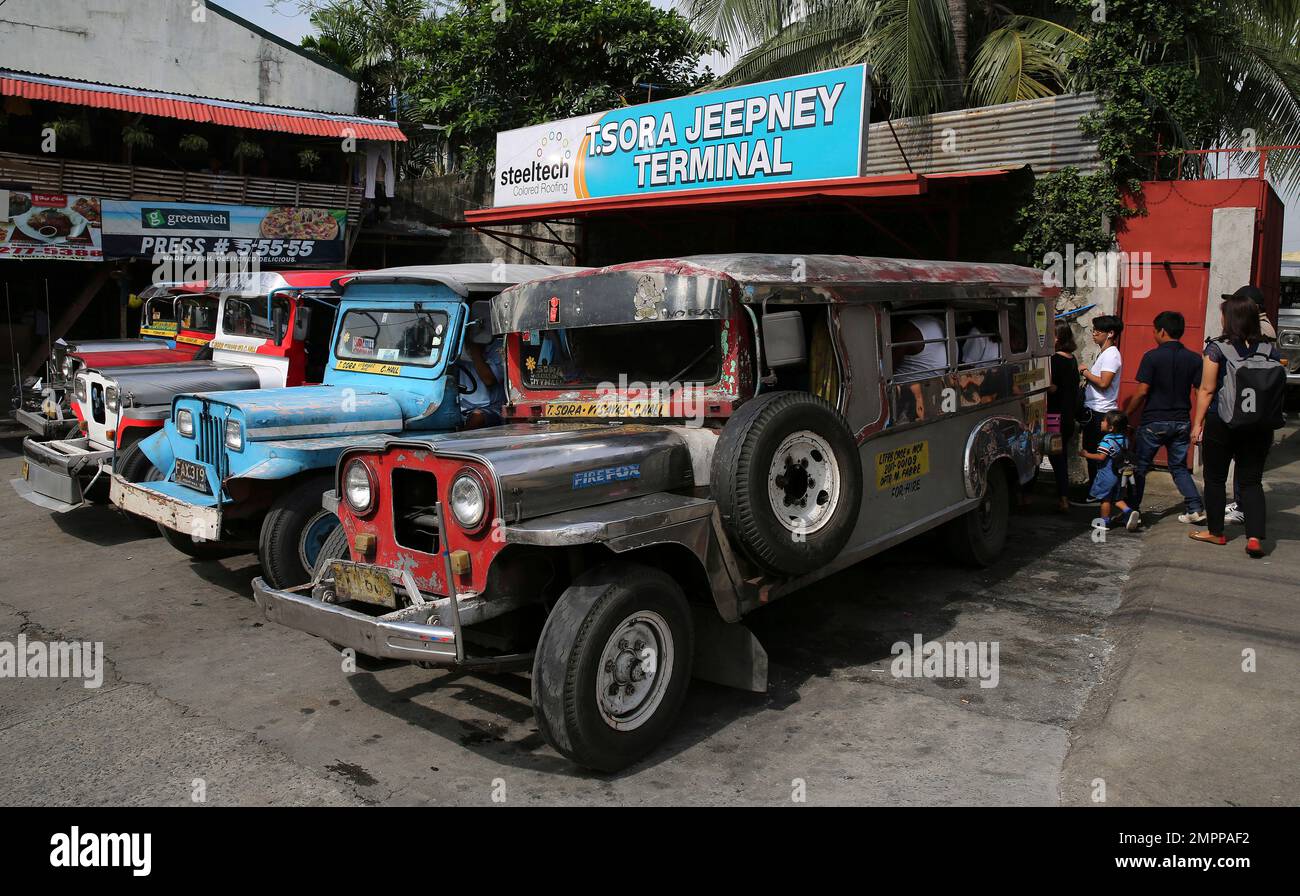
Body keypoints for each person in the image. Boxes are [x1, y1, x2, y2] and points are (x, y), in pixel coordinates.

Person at [1189, 292, 1284, 557]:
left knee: (1216, 479)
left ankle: (1216, 532)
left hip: (1223, 422)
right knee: (1252, 481)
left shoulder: (1217, 349)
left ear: (1229, 318)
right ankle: (1254, 537)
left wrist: (1197, 425)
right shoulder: (1270, 349)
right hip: (1260, 425)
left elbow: (1207, 390)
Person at [1123, 310, 1205, 523]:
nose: (1153, 334)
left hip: (1154, 421)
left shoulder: (1152, 357)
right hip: (1181, 421)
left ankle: (1132, 510)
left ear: (1162, 331)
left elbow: (1142, 391)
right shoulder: (1194, 359)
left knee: (1140, 466)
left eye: (1154, 330)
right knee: (1178, 467)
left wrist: (1126, 415)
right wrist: (1199, 422)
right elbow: (1200, 392)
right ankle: (1195, 507)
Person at [1220, 285, 1275, 524]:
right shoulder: (1261, 325)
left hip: (1250, 405)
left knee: (1248, 466)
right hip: (1251, 405)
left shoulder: (1261, 329)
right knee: (1246, 464)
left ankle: (1243, 507)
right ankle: (1242, 503)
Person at [1078, 315, 1124, 487]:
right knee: (1091, 451)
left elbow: (1104, 383)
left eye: (1098, 330)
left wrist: (1085, 372)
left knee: (1095, 453)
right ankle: (1095, 488)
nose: (1094, 333)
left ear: (1110, 333)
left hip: (1100, 412)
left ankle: (1098, 491)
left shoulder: (1112, 355)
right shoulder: (1104, 353)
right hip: (1095, 409)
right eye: (1093, 329)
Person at [1080, 410, 1140, 531]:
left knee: (1105, 499)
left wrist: (1086, 454)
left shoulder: (1106, 441)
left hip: (1107, 475)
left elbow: (1101, 457)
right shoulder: (1124, 439)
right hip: (1119, 474)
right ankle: (1129, 512)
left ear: (1111, 427)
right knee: (1117, 499)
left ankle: (1104, 522)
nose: (1101, 422)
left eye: (1104, 421)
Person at [1045, 323, 1079, 512]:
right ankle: (1063, 497)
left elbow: (1052, 388)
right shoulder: (1072, 359)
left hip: (1053, 416)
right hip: (1067, 416)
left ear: (1058, 338)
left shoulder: (1055, 360)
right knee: (1061, 457)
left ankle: (1062, 498)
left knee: (1050, 455)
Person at [457, 337, 506, 429]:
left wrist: (474, 349)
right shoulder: (455, 346)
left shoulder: (499, 346)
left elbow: (488, 379)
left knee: (477, 418)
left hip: (489, 407)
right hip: (461, 406)